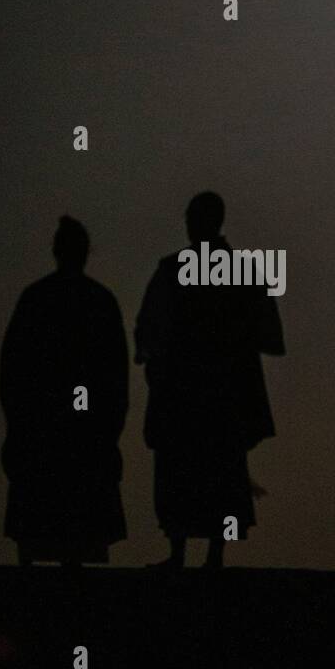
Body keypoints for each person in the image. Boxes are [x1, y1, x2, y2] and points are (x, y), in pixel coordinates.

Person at [135, 192, 284, 569]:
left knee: (185, 470)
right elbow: (269, 335)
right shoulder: (244, 271)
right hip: (224, 394)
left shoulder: (173, 270)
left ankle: (180, 552)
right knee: (219, 472)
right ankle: (213, 553)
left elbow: (150, 330)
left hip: (186, 392)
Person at [0, 216, 128, 568]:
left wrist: (16, 425)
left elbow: (12, 372)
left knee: (34, 527)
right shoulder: (100, 301)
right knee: (78, 536)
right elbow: (116, 379)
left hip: (40, 429)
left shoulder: (36, 299)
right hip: (85, 434)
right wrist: (109, 431)